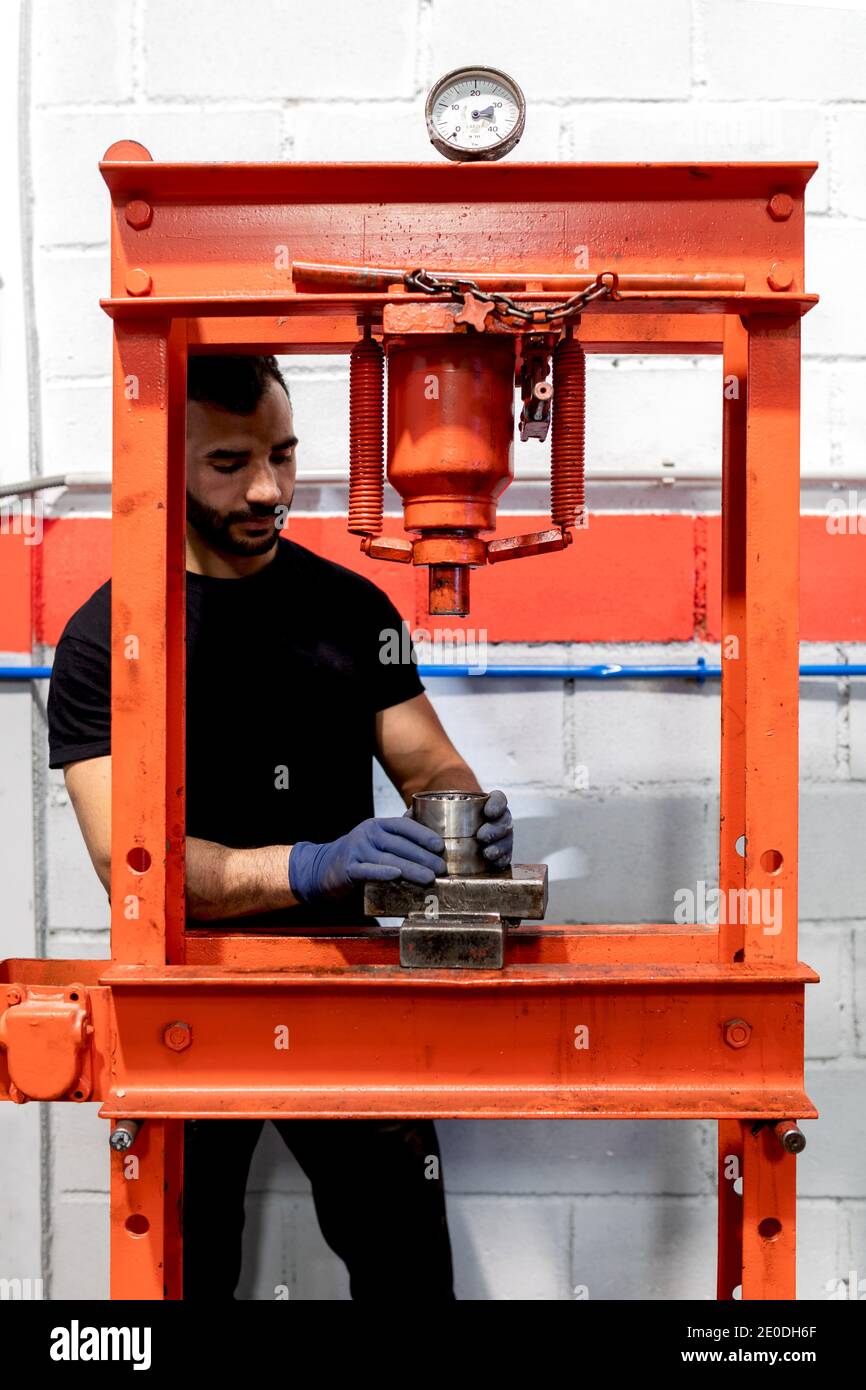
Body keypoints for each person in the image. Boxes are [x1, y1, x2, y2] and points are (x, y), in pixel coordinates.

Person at [46, 354, 513, 1300]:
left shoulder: (350, 608)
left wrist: (462, 817)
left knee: (407, 1267)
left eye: (285, 456)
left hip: (347, 990)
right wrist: (310, 866)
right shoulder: (110, 641)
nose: (268, 490)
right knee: (185, 1265)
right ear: (161, 467)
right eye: (228, 464)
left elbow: (427, 762)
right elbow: (132, 868)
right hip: (187, 1000)